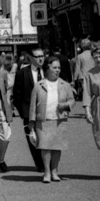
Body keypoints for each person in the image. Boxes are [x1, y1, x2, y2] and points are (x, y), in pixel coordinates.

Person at [28, 55, 76, 183]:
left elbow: (72, 100)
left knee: (56, 147)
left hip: (59, 120)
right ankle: (47, 172)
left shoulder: (65, 84)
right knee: (45, 147)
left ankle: (55, 171)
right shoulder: (39, 85)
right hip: (43, 120)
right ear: (47, 68)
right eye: (54, 67)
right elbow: (33, 105)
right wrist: (31, 122)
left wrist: (66, 105)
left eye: (59, 68)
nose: (57, 70)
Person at [11, 47, 47, 173]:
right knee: (32, 139)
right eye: (37, 56)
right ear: (31, 58)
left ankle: (47, 163)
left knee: (46, 137)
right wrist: (22, 112)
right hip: (28, 112)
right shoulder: (22, 73)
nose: (41, 58)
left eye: (42, 56)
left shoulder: (48, 71)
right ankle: (40, 164)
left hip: (47, 111)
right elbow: (17, 93)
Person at [81, 46, 100, 148]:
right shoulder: (90, 74)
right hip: (98, 107)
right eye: (96, 57)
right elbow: (87, 93)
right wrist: (87, 112)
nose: (98, 59)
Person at [73, 38, 94, 107]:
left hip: (83, 76)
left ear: (82, 46)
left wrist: (74, 79)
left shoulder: (80, 56)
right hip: (94, 75)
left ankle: (88, 108)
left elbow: (77, 68)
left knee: (86, 93)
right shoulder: (93, 55)